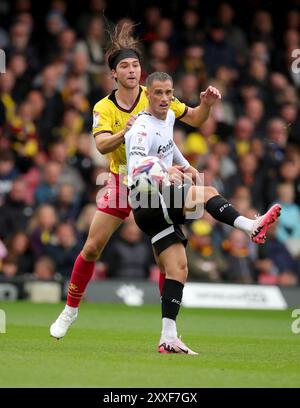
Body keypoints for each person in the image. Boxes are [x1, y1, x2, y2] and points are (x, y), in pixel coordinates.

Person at [49, 23, 223, 339]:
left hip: (155, 185)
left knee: (166, 258)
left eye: (135, 65)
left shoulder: (155, 95)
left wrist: (207, 104)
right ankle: (70, 310)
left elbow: (195, 119)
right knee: (91, 247)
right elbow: (102, 145)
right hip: (120, 181)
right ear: (113, 74)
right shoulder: (103, 107)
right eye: (124, 66)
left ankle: (168, 331)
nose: (132, 70)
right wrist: (125, 131)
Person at [125, 72, 281, 354]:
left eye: (168, 93)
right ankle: (250, 225)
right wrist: (165, 170)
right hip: (146, 196)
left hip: (155, 205)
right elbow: (136, 165)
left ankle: (168, 338)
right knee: (206, 193)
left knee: (178, 269)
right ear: (147, 94)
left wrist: (185, 165)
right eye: (158, 92)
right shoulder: (141, 127)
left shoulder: (169, 116)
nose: (164, 98)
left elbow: (168, 146)